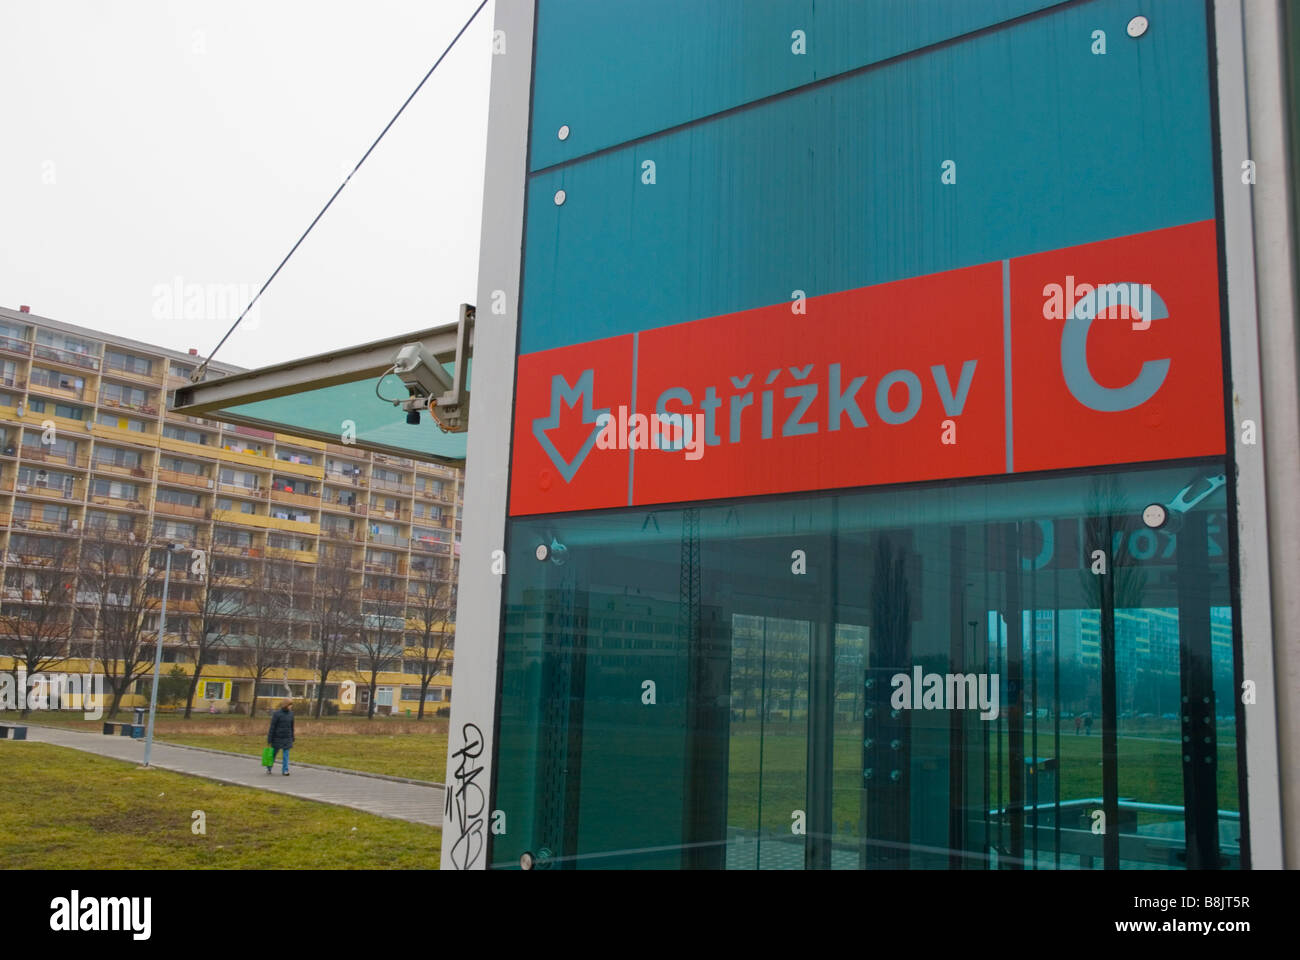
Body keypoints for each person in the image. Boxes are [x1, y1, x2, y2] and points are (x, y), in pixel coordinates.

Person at [266, 699, 295, 775]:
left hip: (287, 738)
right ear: (286, 705)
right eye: (290, 705)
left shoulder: (291, 714)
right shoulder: (277, 714)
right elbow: (272, 727)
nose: (291, 707)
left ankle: (285, 770)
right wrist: (270, 738)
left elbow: (292, 727)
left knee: (286, 755)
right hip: (277, 738)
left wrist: (292, 737)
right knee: (273, 754)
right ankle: (269, 767)